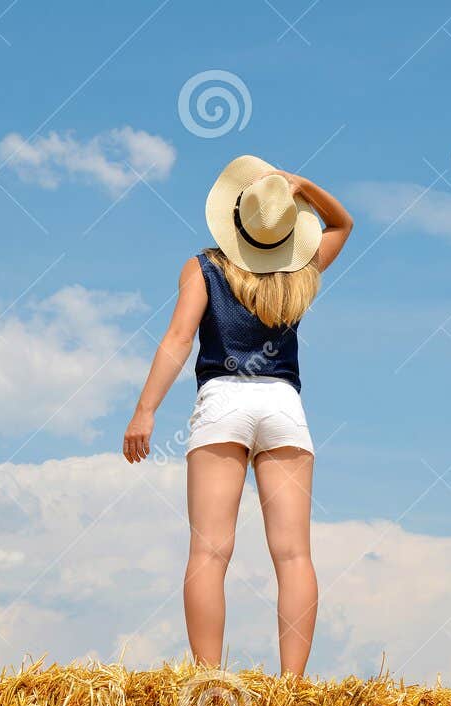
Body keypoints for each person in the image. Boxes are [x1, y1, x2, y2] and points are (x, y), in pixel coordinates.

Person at [122, 154, 352, 677]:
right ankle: (292, 689)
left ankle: (209, 681)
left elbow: (179, 339)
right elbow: (343, 223)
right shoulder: (300, 270)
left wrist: (145, 410)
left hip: (223, 399)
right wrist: (305, 186)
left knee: (209, 551)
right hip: (282, 404)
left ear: (233, 219)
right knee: (293, 556)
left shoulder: (204, 267)